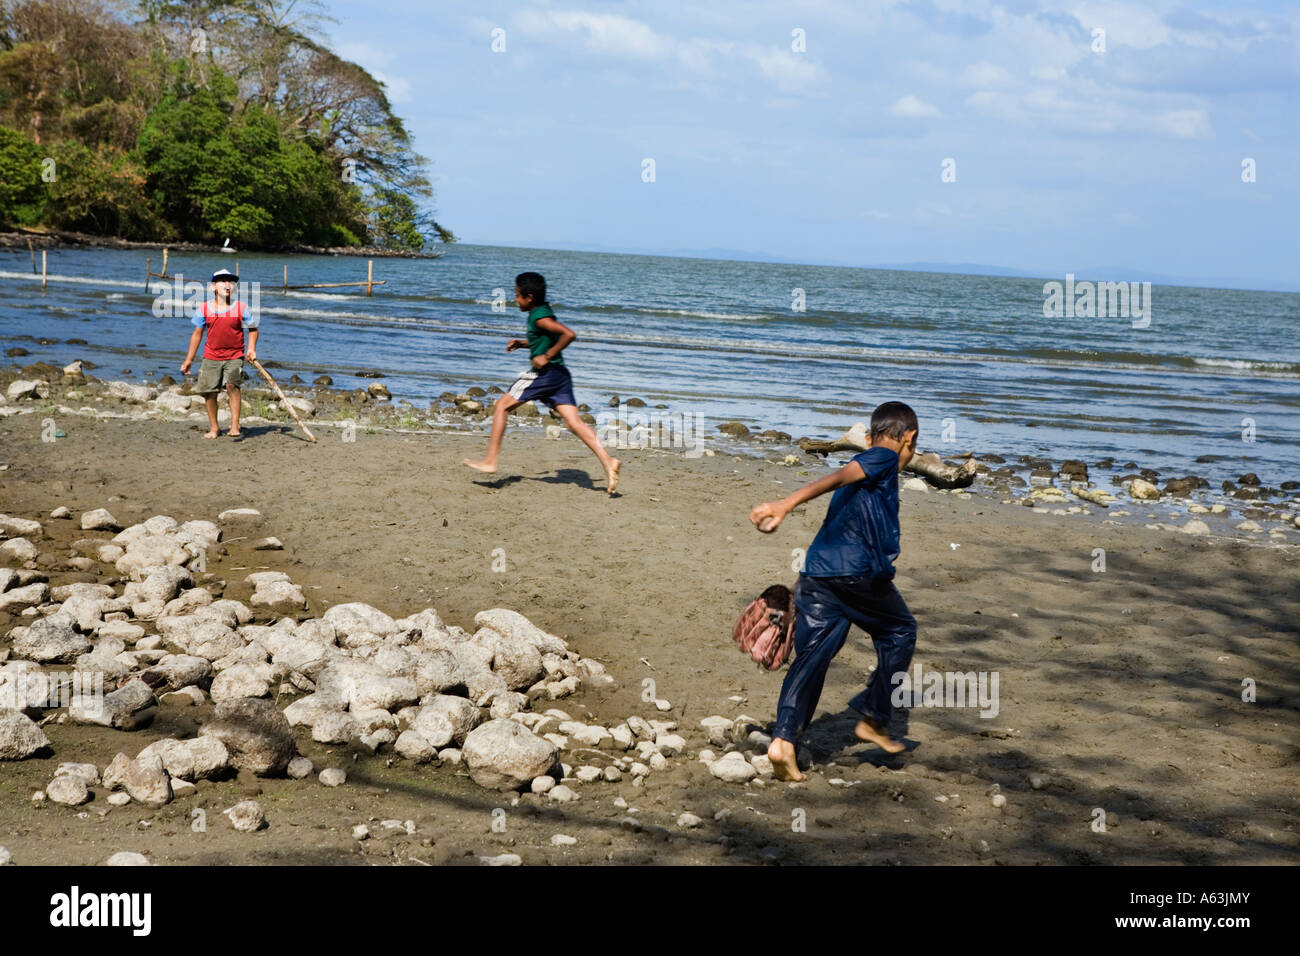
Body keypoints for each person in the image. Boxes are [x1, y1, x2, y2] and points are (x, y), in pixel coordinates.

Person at [748, 401, 919, 781]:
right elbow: (840, 475)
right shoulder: (883, 457)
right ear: (909, 437)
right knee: (900, 631)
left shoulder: (867, 475)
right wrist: (786, 503)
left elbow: (833, 525)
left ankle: (783, 742)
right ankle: (874, 718)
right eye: (912, 446)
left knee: (812, 660)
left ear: (873, 432)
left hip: (820, 575)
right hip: (858, 576)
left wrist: (801, 584)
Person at [464, 271, 620, 494]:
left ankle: (490, 461)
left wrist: (545, 357)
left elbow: (568, 334)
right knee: (574, 423)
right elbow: (544, 339)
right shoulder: (542, 313)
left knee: (501, 407)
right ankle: (608, 462)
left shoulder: (540, 316)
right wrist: (523, 344)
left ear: (529, 297)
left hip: (544, 374)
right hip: (559, 374)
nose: (515, 300)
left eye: (517, 296)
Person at [180, 269, 258, 439]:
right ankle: (214, 427)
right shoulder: (205, 308)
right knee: (209, 392)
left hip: (234, 356)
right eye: (222, 281)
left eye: (230, 281)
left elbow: (253, 330)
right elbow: (197, 334)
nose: (227, 284)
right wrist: (189, 359)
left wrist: (251, 349)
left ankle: (235, 424)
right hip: (211, 356)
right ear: (214, 287)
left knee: (232, 386)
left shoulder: (241, 308)